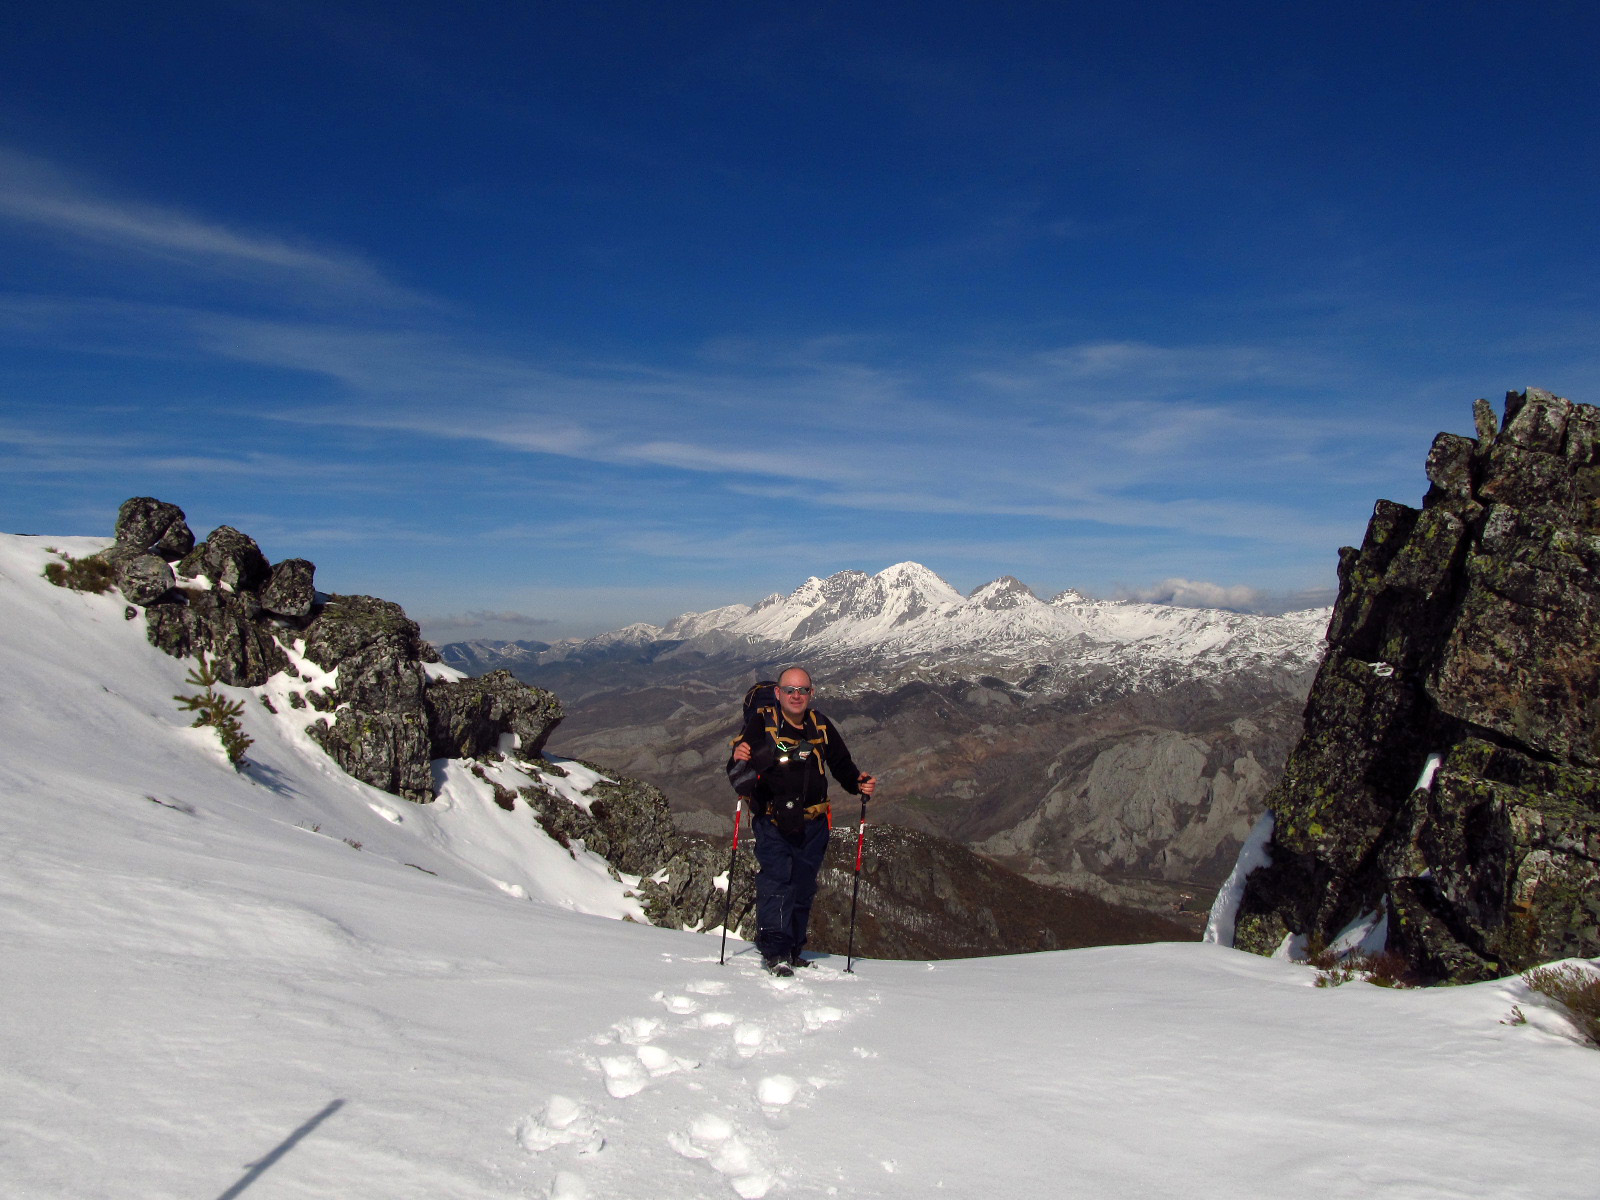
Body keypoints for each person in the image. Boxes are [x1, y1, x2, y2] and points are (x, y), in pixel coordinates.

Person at [727, 667, 875, 977]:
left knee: (803, 885)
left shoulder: (819, 725)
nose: (797, 695)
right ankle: (777, 950)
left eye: (803, 690)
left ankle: (793, 949)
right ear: (778, 693)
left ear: (811, 693)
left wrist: (857, 782)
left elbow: (841, 764)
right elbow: (739, 766)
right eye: (791, 690)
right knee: (778, 880)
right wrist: (740, 757)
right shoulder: (762, 723)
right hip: (772, 820)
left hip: (814, 823)